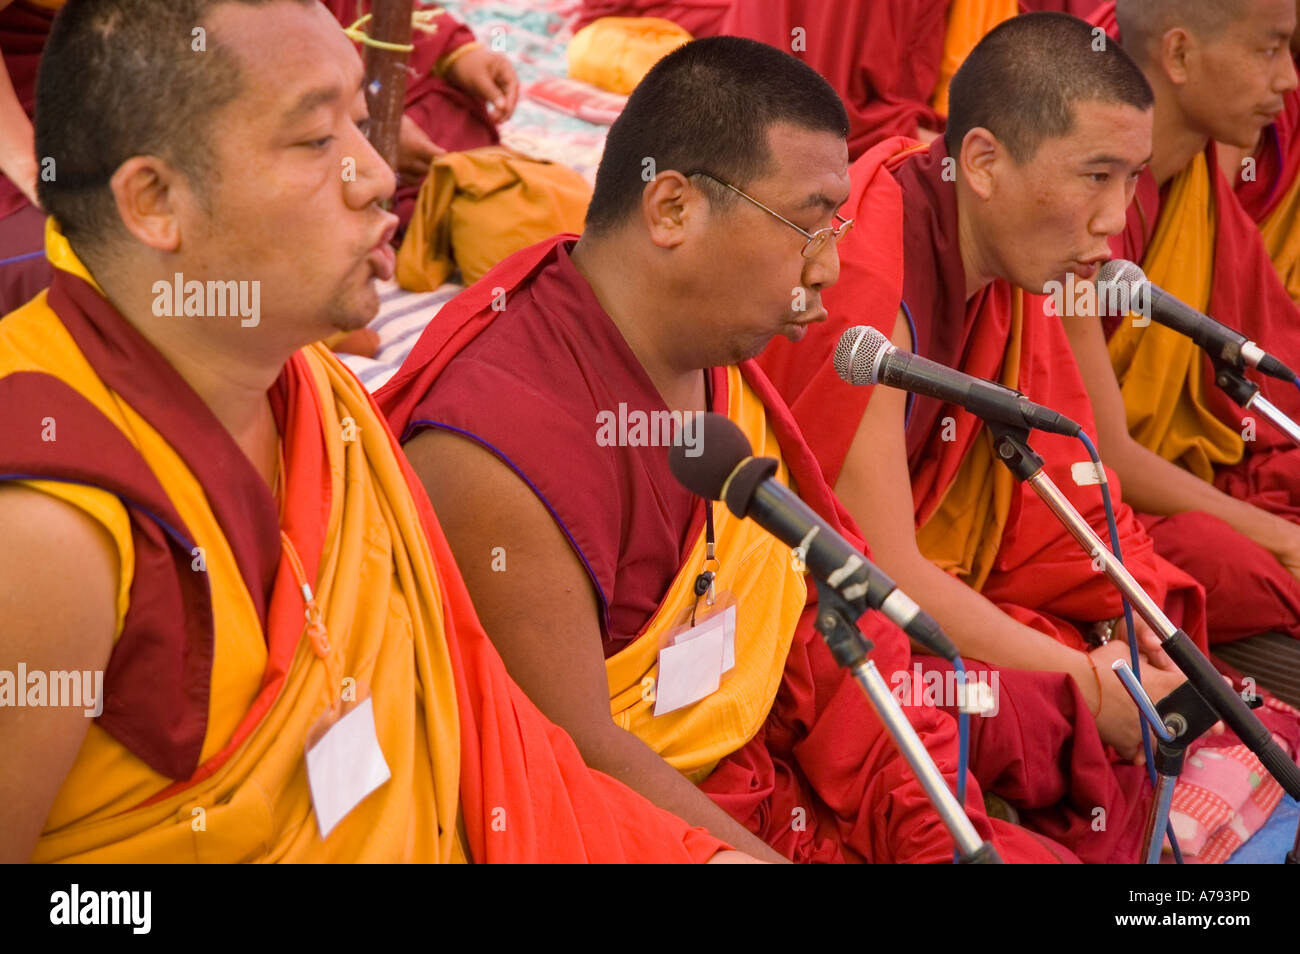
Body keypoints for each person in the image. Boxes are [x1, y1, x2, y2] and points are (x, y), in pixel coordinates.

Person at [378, 34, 1153, 864]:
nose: (828, 268)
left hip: (764, 771)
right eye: (808, 226)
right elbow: (577, 763)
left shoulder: (721, 373)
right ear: (671, 208)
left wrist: (928, 818)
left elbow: (817, 637)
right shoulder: (498, 444)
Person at [0, 0, 739, 865]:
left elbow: (486, 733)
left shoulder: (320, 395)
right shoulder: (50, 531)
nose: (378, 174)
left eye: (362, 120)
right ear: (156, 201)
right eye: (318, 141)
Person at [1075, 0, 1300, 652]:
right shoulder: (1076, 199)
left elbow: (1269, 374)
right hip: (1097, 505)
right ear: (1177, 55)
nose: (1288, 79)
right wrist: (1281, 540)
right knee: (1218, 563)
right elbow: (1104, 455)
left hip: (1187, 477)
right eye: (1269, 49)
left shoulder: (1193, 178)